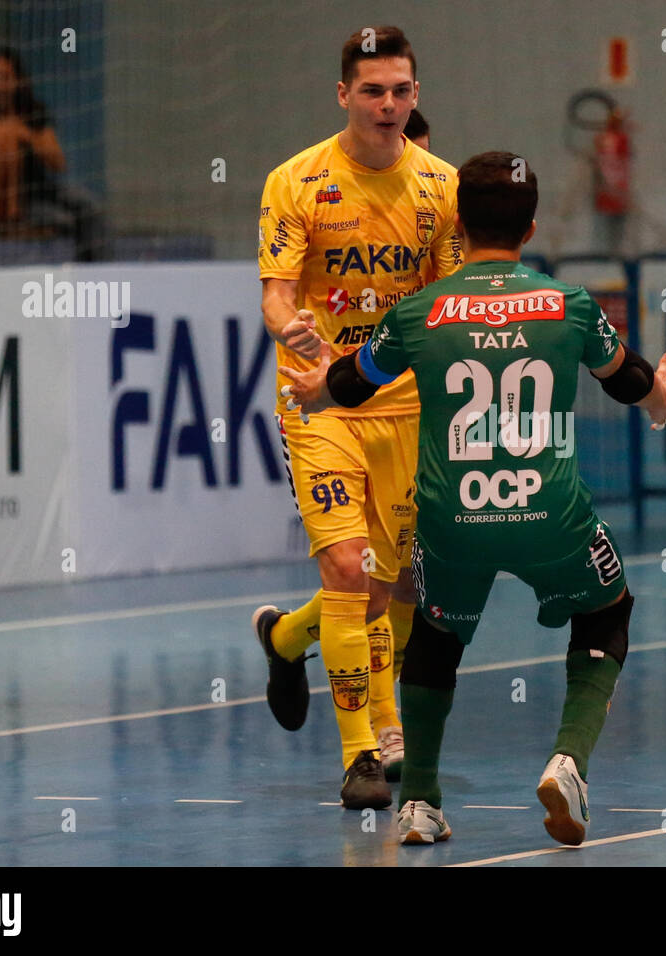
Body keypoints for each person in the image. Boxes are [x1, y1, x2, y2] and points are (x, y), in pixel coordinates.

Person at [279, 151, 666, 847]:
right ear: (530, 227)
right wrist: (662, 400)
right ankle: (568, 759)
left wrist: (314, 388)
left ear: (457, 224)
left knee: (436, 637)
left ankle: (422, 802)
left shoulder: (417, 312)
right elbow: (628, 378)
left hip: (452, 518)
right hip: (548, 515)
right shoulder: (569, 304)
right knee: (608, 609)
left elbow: (351, 383)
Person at [253, 26, 462, 811]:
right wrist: (288, 327)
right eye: (372, 91)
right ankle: (362, 755)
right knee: (347, 570)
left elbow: (447, 304)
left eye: (401, 91)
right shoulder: (297, 181)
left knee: (389, 585)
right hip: (320, 398)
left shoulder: (440, 187)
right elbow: (278, 288)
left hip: (407, 409)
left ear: (415, 95)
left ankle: (283, 641)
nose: (388, 105)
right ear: (344, 94)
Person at [0, 47, 103, 259]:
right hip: (11, 201)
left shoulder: (32, 112)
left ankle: (98, 274)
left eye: (5, 77)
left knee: (91, 208)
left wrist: (24, 135)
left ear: (18, 80)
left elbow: (58, 162)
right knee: (63, 220)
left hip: (41, 189)